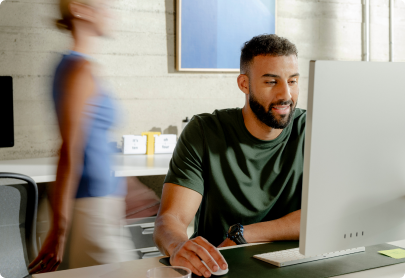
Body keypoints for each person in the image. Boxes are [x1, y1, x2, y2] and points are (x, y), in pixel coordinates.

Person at [153, 34, 304, 277]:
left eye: (293, 81)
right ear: (244, 84)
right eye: (271, 82)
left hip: (294, 265)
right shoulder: (203, 132)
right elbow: (170, 219)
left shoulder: (312, 129)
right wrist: (178, 245)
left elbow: (326, 216)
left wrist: (244, 234)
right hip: (218, 267)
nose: (285, 94)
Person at [29, 0, 135, 274]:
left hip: (99, 203)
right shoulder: (77, 70)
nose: (109, 12)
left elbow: (93, 143)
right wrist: (59, 229)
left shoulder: (81, 67)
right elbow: (70, 149)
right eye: (100, 5)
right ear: (79, 8)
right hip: (88, 209)